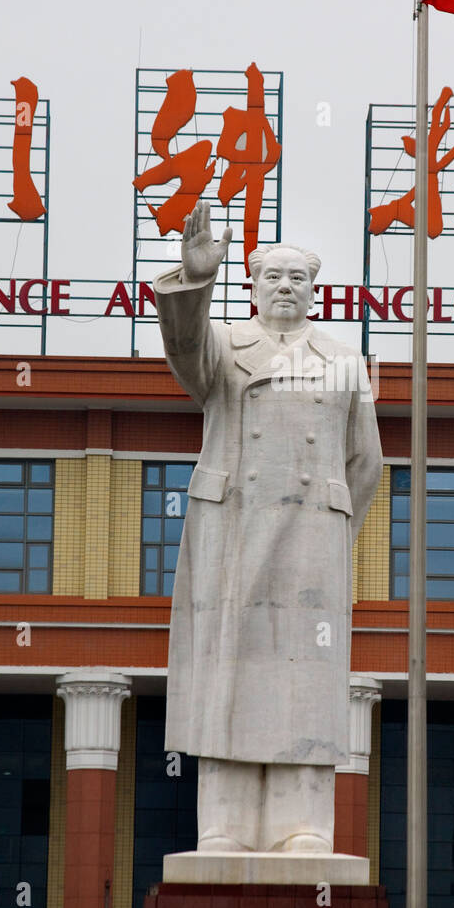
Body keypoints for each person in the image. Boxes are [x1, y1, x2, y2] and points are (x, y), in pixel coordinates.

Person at [153, 203, 383, 853]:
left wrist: (333, 532)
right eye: (272, 277)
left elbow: (365, 460)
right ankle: (222, 826)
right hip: (232, 530)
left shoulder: (342, 360)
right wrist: (195, 280)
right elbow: (184, 351)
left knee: (303, 677)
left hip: (311, 542)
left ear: (315, 290)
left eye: (297, 278)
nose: (284, 287)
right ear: (251, 286)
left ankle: (301, 824)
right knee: (224, 668)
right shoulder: (225, 347)